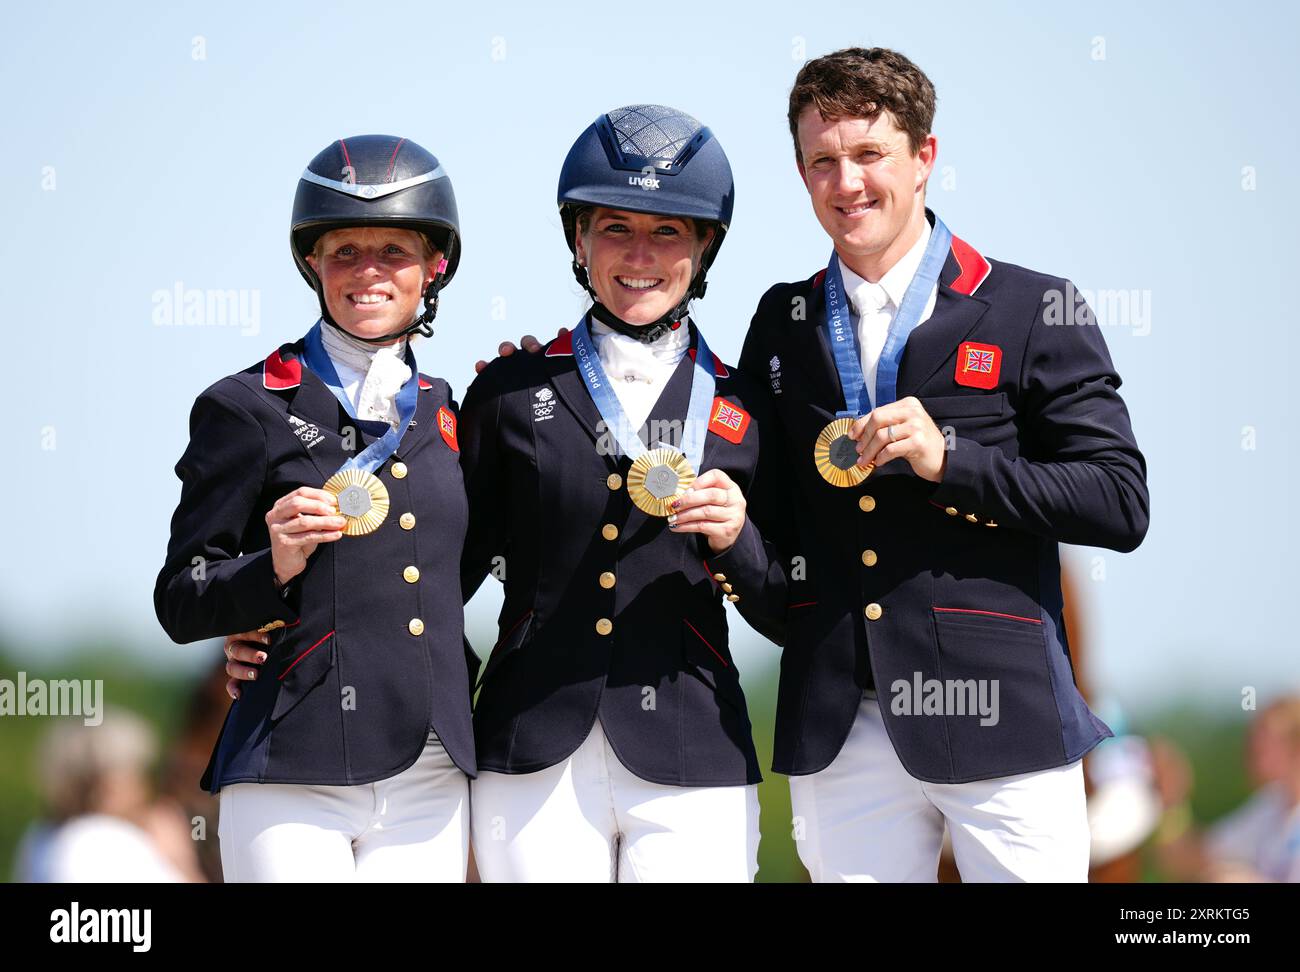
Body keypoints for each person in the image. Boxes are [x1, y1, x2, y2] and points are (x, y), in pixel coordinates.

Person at [458, 104, 790, 882]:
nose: (640, 254)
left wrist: (740, 537)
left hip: (693, 745)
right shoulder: (508, 391)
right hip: (529, 750)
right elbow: (439, 577)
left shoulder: (748, 412)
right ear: (579, 239)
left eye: (669, 231)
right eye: (615, 228)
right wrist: (280, 640)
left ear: (706, 245)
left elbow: (789, 612)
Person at [155, 135, 478, 882]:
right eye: (344, 251)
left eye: (393, 250)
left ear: (434, 267)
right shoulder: (242, 406)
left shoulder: (450, 410)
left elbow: (454, 568)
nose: (368, 271)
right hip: (291, 764)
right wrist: (271, 571)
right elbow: (181, 597)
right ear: (313, 262)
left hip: (430, 771)